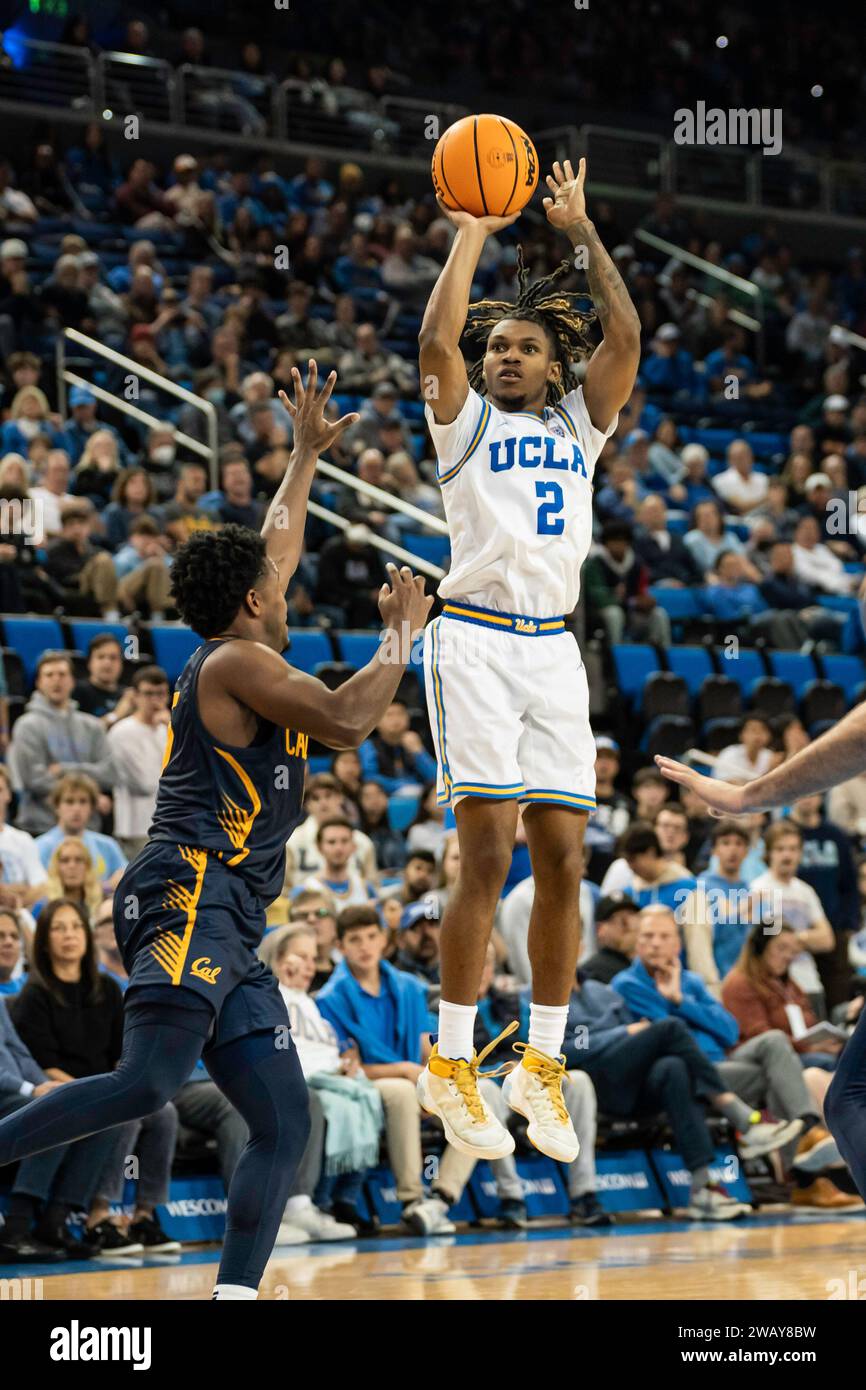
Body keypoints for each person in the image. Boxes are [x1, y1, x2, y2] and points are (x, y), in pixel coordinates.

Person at [0, 363, 432, 1300]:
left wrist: (306, 459)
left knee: (283, 1120)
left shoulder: (242, 640)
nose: (285, 590)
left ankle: (235, 1294)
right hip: (188, 886)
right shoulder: (241, 660)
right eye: (271, 590)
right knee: (150, 1081)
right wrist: (402, 634)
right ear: (248, 605)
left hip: (230, 914)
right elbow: (353, 721)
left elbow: (272, 543)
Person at [416, 156, 640, 1163]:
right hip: (470, 640)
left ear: (552, 366)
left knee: (563, 862)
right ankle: (453, 1059)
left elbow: (626, 338)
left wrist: (583, 232)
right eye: (495, 345)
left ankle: (538, 1066)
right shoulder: (459, 428)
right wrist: (470, 229)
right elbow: (432, 338)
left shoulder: (578, 427)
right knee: (488, 852)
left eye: (522, 347)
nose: (504, 356)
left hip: (553, 651)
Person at [656, 706, 866, 1216]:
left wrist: (746, 796)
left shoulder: (759, 902)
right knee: (832, 1086)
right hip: (728, 1019)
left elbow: (859, 734)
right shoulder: (716, 900)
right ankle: (798, 1139)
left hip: (764, 1011)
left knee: (847, 1095)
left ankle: (801, 1137)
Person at [7, 652, 115, 835]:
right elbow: (34, 779)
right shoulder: (27, 725)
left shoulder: (92, 726)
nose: (57, 680)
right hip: (40, 828)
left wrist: (63, 769)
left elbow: (109, 773)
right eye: (49, 675)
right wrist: (90, 796)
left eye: (62, 674)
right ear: (39, 683)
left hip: (88, 831)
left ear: (72, 681)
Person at [106, 666, 170, 860]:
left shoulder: (168, 731)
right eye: (148, 694)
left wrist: (173, 731)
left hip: (168, 824)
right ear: (135, 696)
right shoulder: (121, 732)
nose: (155, 701)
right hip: (136, 827)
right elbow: (144, 783)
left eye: (160, 694)